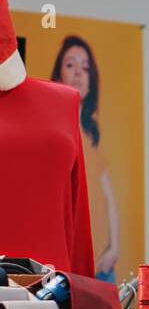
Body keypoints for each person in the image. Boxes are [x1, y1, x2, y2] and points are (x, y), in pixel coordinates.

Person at [50, 36, 119, 282]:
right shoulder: (53, 135)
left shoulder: (90, 135)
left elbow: (109, 198)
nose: (79, 72)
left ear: (91, 82)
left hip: (103, 266)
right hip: (69, 269)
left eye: (85, 67)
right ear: (57, 78)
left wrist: (114, 249)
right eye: (70, 65)